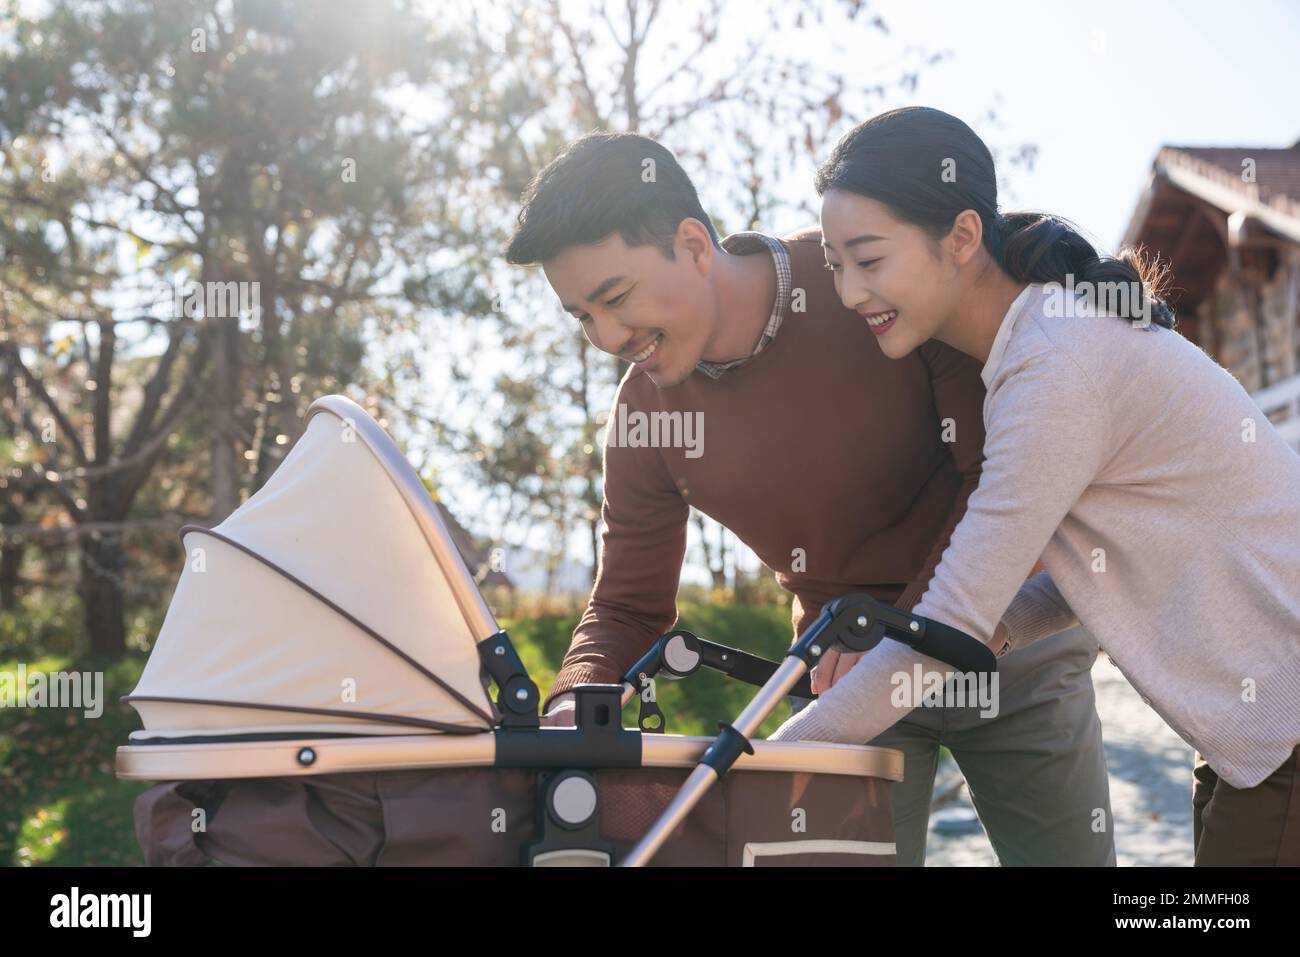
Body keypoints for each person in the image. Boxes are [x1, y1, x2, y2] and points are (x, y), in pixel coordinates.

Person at [504, 131, 1116, 865]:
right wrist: (576, 700)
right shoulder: (644, 418)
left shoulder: (868, 284)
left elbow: (996, 476)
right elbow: (627, 605)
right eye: (581, 316)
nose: (605, 336)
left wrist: (899, 634)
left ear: (695, 246)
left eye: (615, 298)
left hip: (1003, 642)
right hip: (841, 679)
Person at [771, 106, 1300, 866]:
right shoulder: (1044, 345)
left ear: (959, 238)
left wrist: (763, 762)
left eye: (868, 258)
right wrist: (1005, 623)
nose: (850, 292)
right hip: (1255, 736)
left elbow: (950, 617)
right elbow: (1102, 562)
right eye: (833, 264)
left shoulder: (1055, 363)